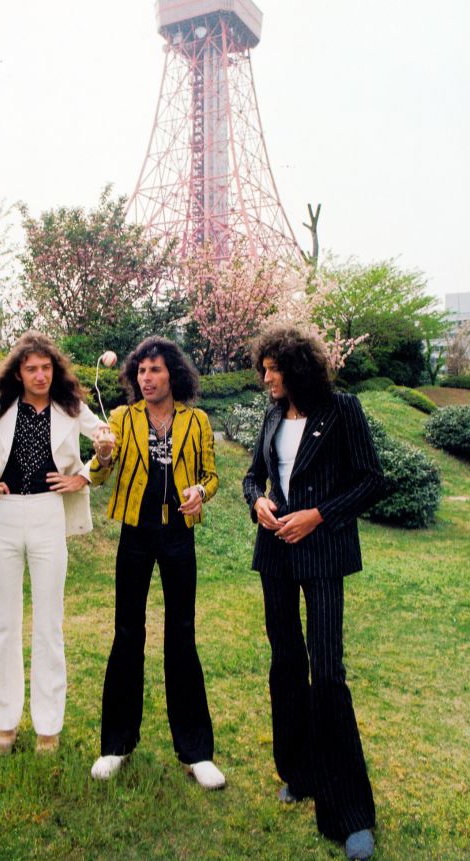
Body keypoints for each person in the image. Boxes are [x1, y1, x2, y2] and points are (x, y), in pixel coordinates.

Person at [242, 326, 383, 861]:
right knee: (286, 665)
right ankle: (298, 772)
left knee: (326, 674)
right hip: (275, 555)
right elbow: (254, 476)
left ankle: (349, 814)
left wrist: (319, 515)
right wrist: (257, 501)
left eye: (274, 368)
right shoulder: (273, 415)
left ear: (298, 367)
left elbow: (371, 479)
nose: (267, 377)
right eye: (264, 369)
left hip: (323, 554)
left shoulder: (343, 410)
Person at [89, 336, 225, 790]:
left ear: (173, 375)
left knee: (181, 634)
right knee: (127, 632)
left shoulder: (196, 420)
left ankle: (196, 752)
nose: (147, 379)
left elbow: (211, 475)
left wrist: (199, 493)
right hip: (135, 534)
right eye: (141, 372)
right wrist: (103, 455)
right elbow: (100, 473)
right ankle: (116, 745)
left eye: (155, 370)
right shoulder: (121, 418)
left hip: (177, 537)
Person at [0, 331, 104, 755]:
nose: (40, 375)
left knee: (49, 624)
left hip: (48, 513)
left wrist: (84, 475)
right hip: (3, 514)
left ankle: (48, 726)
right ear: (19, 373)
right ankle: (4, 723)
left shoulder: (71, 406)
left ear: (54, 370)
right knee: (5, 625)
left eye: (46, 368)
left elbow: (108, 439)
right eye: (31, 369)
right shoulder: (0, 407)